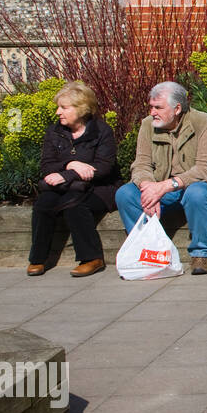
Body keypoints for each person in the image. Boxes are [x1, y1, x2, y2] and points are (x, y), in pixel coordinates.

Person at [116, 81, 207, 275]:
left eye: (158, 107)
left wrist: (164, 186)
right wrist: (148, 188)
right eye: (151, 107)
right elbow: (141, 164)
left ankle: (201, 254)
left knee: (197, 193)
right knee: (125, 194)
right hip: (160, 186)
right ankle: (147, 251)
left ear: (177, 108)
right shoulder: (147, 125)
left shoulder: (204, 123)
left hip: (195, 185)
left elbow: (206, 170)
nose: (152, 112)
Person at [28, 81, 121, 277]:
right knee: (43, 204)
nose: (57, 112)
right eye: (58, 107)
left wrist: (66, 174)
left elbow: (103, 167)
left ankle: (92, 258)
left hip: (99, 188)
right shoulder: (54, 132)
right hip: (65, 187)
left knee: (74, 205)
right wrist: (71, 165)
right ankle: (37, 259)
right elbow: (46, 165)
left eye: (64, 107)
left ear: (81, 109)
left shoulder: (102, 131)